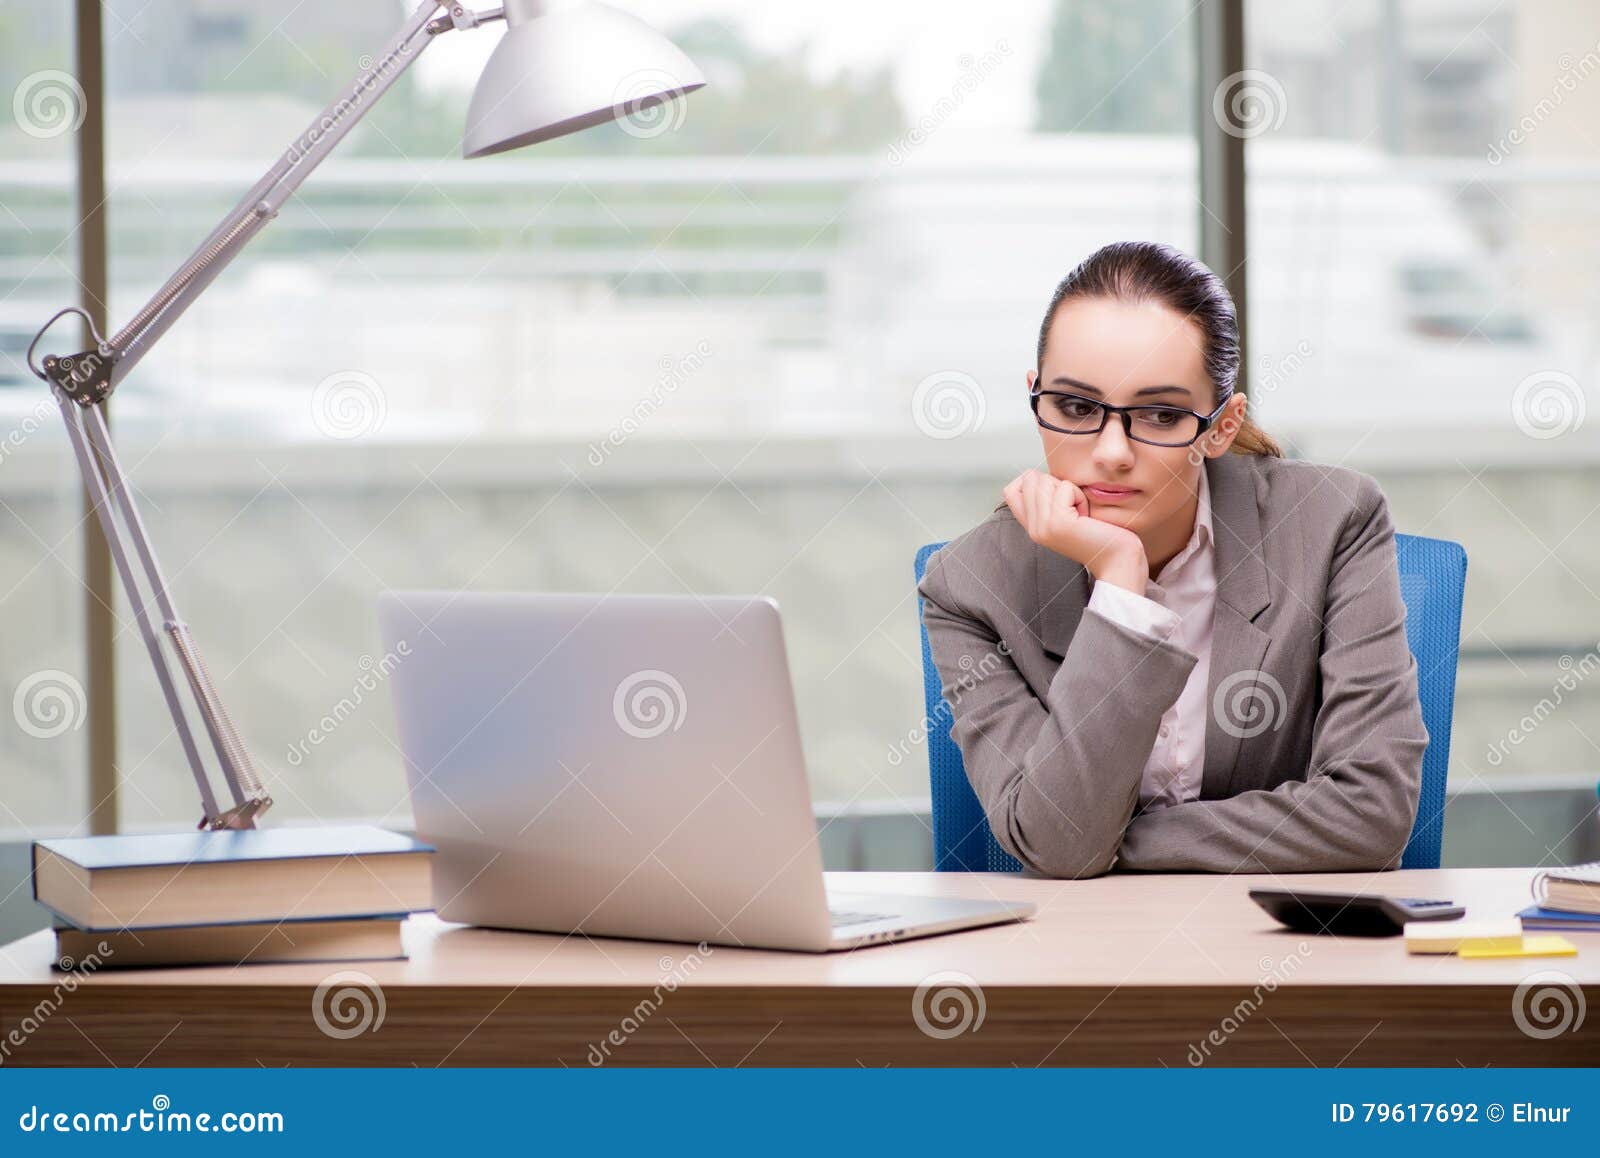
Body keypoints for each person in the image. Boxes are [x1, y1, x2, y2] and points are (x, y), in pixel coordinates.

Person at [917, 240, 1427, 878]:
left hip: (1284, 942)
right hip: (1072, 953)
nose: (1110, 452)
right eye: (1075, 407)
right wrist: (1122, 588)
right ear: (1036, 396)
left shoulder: (1332, 520)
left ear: (1221, 424)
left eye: (1159, 415)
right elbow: (1060, 845)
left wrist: (1117, 844)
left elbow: (1371, 814)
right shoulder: (970, 586)